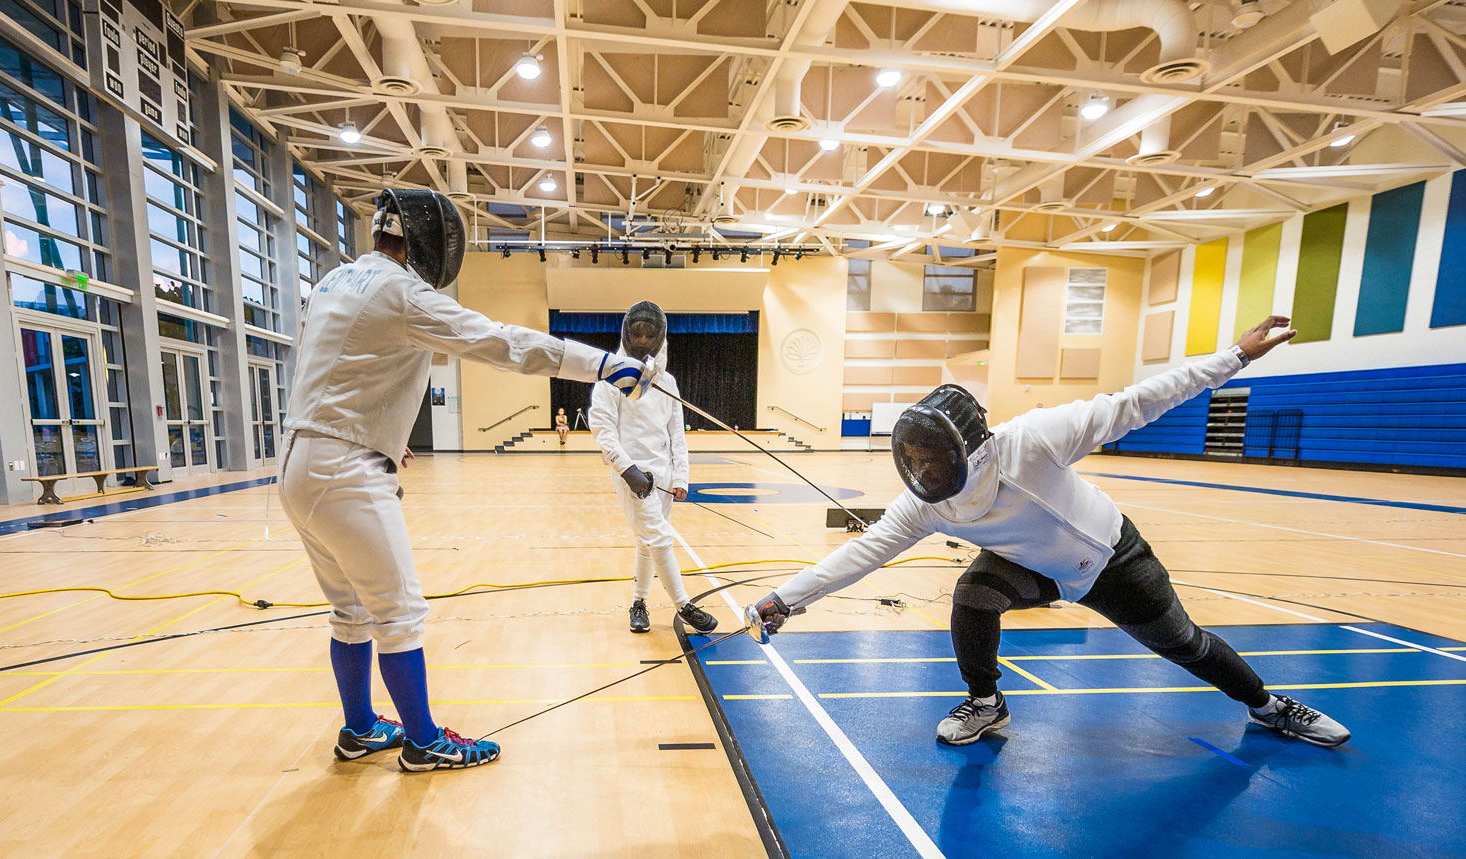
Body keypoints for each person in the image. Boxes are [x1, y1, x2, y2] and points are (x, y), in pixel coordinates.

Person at [746, 316, 1351, 749]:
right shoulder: (924, 504)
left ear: (970, 448)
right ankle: (988, 705)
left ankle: (1270, 708)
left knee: (1185, 645)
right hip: (1031, 566)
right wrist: (784, 600)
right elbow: (863, 552)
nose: (925, 470)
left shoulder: (1034, 440)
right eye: (915, 458)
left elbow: (1139, 401)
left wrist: (1236, 358)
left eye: (934, 457)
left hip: (1113, 561)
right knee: (973, 595)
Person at [279, 189, 658, 773]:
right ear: (431, 242)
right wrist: (604, 365)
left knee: (350, 611)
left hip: (301, 463)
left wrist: (379, 429)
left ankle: (357, 729)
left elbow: (340, 369)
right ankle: (424, 742)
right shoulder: (402, 293)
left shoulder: (336, 281)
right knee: (398, 613)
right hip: (344, 472)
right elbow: (505, 344)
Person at [589, 302, 720, 635]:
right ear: (627, 333)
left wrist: (681, 478)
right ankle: (684, 605)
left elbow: (676, 432)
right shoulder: (610, 379)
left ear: (660, 336)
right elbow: (603, 431)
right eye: (638, 332)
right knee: (659, 538)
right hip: (632, 476)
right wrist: (629, 471)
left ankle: (638, 603)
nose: (644, 339)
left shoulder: (668, 382)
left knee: (646, 543)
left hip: (661, 477)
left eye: (650, 333)